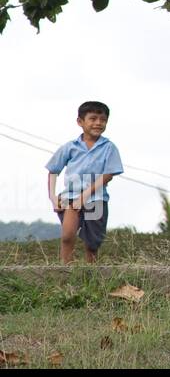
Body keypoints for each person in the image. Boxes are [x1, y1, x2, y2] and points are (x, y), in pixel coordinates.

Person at [45, 100, 124, 265]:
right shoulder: (70, 147)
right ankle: (66, 269)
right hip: (70, 197)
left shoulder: (109, 147)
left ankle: (91, 274)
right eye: (93, 119)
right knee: (67, 236)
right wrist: (52, 196)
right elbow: (53, 170)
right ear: (80, 122)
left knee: (92, 242)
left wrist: (85, 196)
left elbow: (108, 174)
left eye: (102, 120)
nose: (98, 123)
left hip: (96, 199)